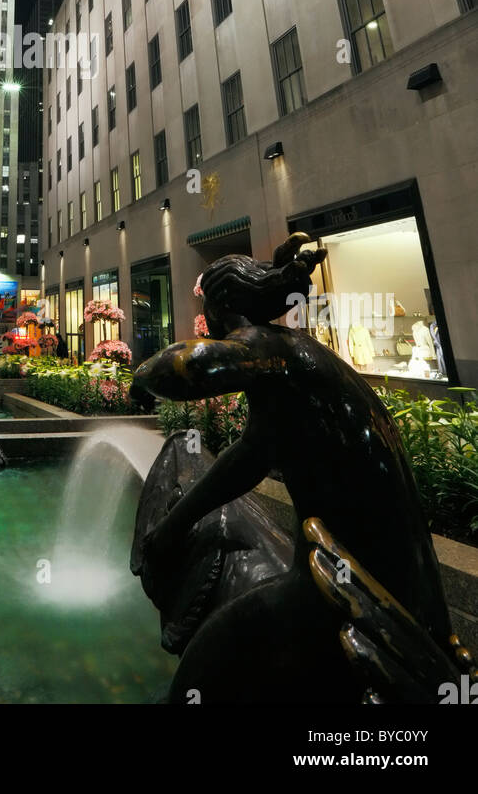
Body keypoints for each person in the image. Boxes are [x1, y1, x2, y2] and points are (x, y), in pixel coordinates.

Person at [132, 232, 451, 704]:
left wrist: (142, 376)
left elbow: (188, 368)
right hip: (405, 587)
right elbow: (248, 459)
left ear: (219, 308)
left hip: (350, 580)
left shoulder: (266, 347)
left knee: (215, 650)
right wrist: (175, 524)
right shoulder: (297, 357)